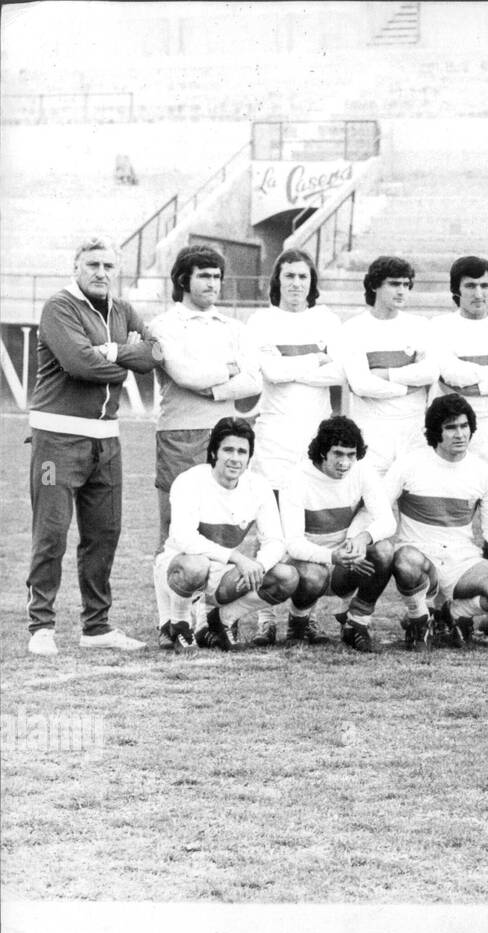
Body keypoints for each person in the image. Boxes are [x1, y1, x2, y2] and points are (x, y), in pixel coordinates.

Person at [26, 235, 160, 655]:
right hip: (58, 437)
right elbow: (80, 364)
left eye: (107, 266)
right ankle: (41, 627)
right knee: (50, 533)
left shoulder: (121, 309)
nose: (101, 273)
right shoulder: (59, 307)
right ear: (76, 268)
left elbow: (153, 353)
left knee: (104, 535)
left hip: (107, 440)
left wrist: (111, 351)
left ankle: (97, 626)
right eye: (92, 266)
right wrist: (123, 355)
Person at [148, 244, 262, 645]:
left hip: (226, 432)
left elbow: (254, 380)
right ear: (184, 280)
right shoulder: (163, 325)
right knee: (175, 530)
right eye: (204, 276)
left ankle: (199, 620)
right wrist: (227, 371)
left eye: (217, 276)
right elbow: (181, 374)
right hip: (179, 433)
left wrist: (211, 387)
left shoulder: (234, 328)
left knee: (219, 527)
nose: (213, 284)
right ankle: (169, 622)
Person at [245, 248, 346, 645]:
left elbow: (340, 373)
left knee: (310, 533)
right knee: (270, 532)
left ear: (312, 282)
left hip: (313, 444)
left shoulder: (326, 320)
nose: (296, 284)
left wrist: (301, 368)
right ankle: (265, 616)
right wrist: (315, 361)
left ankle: (303, 616)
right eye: (289, 276)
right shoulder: (261, 321)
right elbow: (270, 371)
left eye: (303, 277)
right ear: (277, 280)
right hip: (274, 439)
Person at [385, 394, 488, 649]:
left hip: (462, 563)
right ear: (435, 431)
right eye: (450, 427)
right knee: (405, 560)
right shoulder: (408, 465)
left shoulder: (483, 473)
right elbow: (380, 511)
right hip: (421, 561)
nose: (460, 434)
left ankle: (460, 611)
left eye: (464, 426)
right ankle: (420, 616)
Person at [153, 418, 298, 651]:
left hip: (221, 573)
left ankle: (223, 620)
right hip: (179, 570)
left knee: (286, 576)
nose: (235, 458)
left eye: (242, 452)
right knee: (196, 565)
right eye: (228, 449)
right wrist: (238, 558)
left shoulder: (258, 487)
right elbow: (183, 537)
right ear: (213, 452)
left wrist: (259, 565)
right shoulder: (190, 481)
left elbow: (275, 541)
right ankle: (179, 623)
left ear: (249, 457)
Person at [336, 256, 480, 476]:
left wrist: (385, 374)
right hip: (371, 430)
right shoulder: (352, 329)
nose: (402, 290)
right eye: (394, 284)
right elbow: (362, 385)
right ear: (374, 285)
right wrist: (409, 385)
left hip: (413, 429)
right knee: (372, 500)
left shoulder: (420, 326)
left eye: (405, 284)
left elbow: (430, 372)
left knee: (414, 498)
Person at [279, 416, 396, 653]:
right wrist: (333, 556)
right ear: (323, 451)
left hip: (346, 565)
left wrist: (361, 539)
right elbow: (293, 544)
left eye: (351, 454)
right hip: (310, 566)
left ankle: (357, 623)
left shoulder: (363, 471)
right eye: (338, 454)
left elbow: (387, 520)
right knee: (314, 574)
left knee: (384, 550)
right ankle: (298, 621)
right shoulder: (296, 478)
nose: (345, 462)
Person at [426, 255, 488, 484]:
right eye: (470, 285)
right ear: (456, 289)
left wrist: (472, 388)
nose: (478, 293)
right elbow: (449, 373)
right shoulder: (440, 326)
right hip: (456, 431)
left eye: (485, 285)